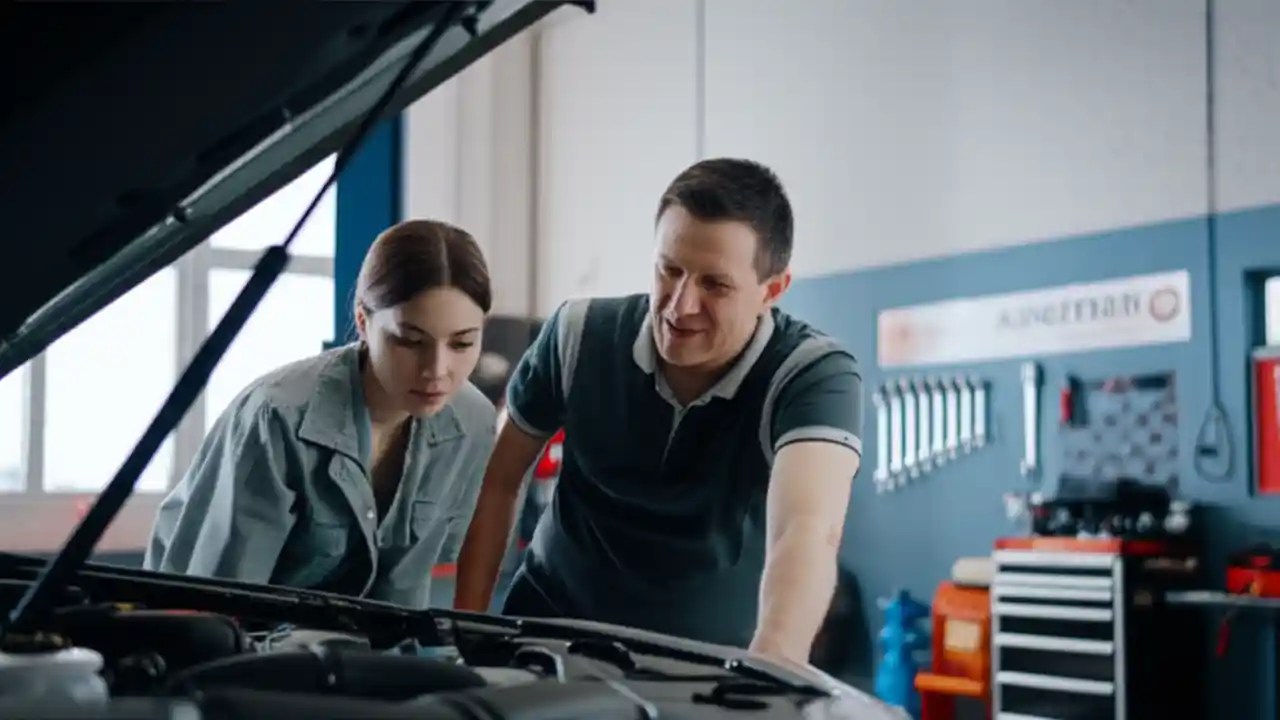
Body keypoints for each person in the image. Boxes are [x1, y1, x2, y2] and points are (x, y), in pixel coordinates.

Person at [454, 158, 863, 664]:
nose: (679, 305)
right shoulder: (576, 336)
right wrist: (467, 635)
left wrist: (771, 668)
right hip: (546, 645)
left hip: (705, 677)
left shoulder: (811, 374)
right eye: (669, 270)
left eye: (715, 285)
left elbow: (807, 529)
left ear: (771, 290)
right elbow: (498, 480)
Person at [144, 219, 498, 610]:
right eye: (410, 341)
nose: (437, 369)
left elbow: (405, 600)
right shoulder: (277, 418)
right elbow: (220, 607)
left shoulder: (472, 421)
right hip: (230, 639)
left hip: (359, 654)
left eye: (462, 343)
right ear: (363, 322)